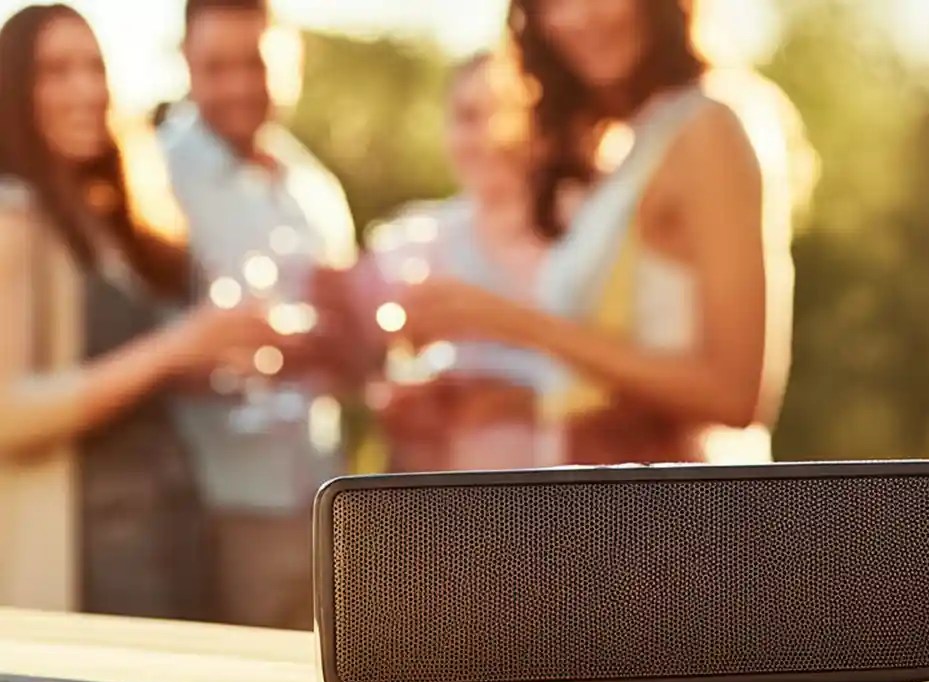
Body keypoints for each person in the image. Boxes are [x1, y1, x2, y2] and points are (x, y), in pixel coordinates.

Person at [402, 0, 791, 465]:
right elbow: (637, 371)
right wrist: (514, 402)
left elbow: (734, 394)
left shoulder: (708, 130)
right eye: (552, 3)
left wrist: (508, 321)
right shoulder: (636, 140)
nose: (579, 16)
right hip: (613, 513)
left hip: (692, 517)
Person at [0, 4, 269, 616]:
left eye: (95, 67)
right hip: (90, 555)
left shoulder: (102, 216)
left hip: (167, 529)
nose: (86, 90)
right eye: (56, 71)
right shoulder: (11, 219)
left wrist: (201, 362)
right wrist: (176, 347)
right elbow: (7, 414)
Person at [158, 0, 358, 629]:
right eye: (216, 67)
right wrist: (214, 350)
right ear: (186, 65)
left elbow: (348, 355)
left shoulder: (315, 189)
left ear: (289, 60)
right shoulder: (152, 177)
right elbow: (127, 346)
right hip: (212, 510)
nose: (238, 86)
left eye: (255, 64)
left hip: (324, 505)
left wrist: (342, 334)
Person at [369, 54, 546, 472]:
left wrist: (512, 401)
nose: (488, 137)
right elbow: (374, 366)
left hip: (568, 497)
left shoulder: (581, 240)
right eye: (467, 116)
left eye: (507, 115)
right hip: (440, 500)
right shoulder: (412, 239)